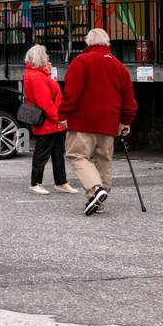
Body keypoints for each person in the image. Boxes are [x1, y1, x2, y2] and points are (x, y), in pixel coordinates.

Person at [59, 27, 138, 216]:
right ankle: (99, 202)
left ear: (88, 42)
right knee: (103, 160)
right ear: (107, 43)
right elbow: (129, 100)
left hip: (83, 121)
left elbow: (71, 94)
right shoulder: (120, 67)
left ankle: (95, 189)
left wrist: (62, 115)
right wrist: (125, 121)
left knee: (77, 156)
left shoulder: (82, 61)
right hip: (109, 122)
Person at [22, 44, 80, 196]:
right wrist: (59, 118)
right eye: (45, 55)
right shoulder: (37, 76)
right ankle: (38, 183)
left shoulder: (36, 74)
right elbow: (45, 102)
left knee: (55, 152)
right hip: (50, 121)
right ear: (41, 57)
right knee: (45, 153)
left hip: (50, 121)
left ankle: (60, 182)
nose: (48, 57)